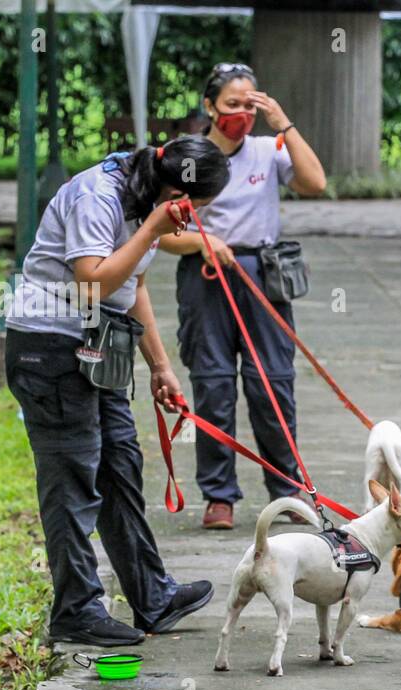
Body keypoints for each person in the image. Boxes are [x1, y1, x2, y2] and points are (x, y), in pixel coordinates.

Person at [5, 135, 231, 647]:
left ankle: (151, 595)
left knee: (121, 465)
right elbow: (92, 282)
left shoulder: (144, 198)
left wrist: (161, 367)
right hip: (51, 350)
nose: (196, 220)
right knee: (73, 481)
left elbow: (134, 286)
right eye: (197, 208)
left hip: (101, 347)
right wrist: (154, 226)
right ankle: (76, 610)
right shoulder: (99, 197)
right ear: (179, 192)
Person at [158, 63, 327, 531]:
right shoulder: (187, 158)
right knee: (211, 386)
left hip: (262, 276)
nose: (241, 114)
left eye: (250, 104)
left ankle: (287, 490)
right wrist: (200, 242)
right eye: (232, 104)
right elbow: (159, 231)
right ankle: (219, 495)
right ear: (209, 106)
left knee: (272, 384)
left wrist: (283, 123)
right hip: (206, 275)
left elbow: (316, 184)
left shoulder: (267, 149)